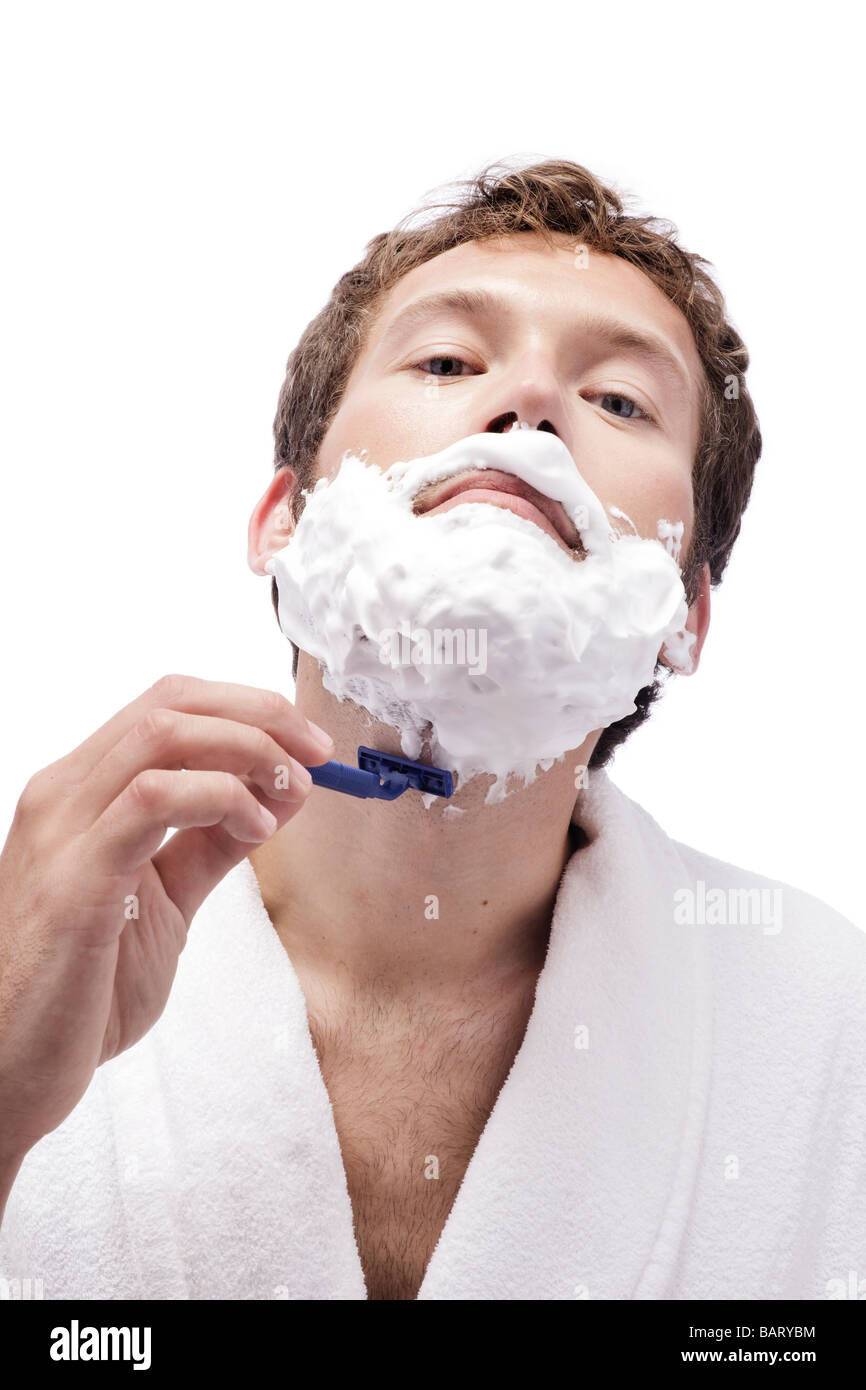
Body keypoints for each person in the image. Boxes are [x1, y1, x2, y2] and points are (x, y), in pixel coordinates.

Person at [1, 159, 863, 1303]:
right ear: (283, 522)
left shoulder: (824, 1029)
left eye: (616, 400)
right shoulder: (26, 952)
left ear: (681, 616)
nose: (529, 404)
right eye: (449, 361)